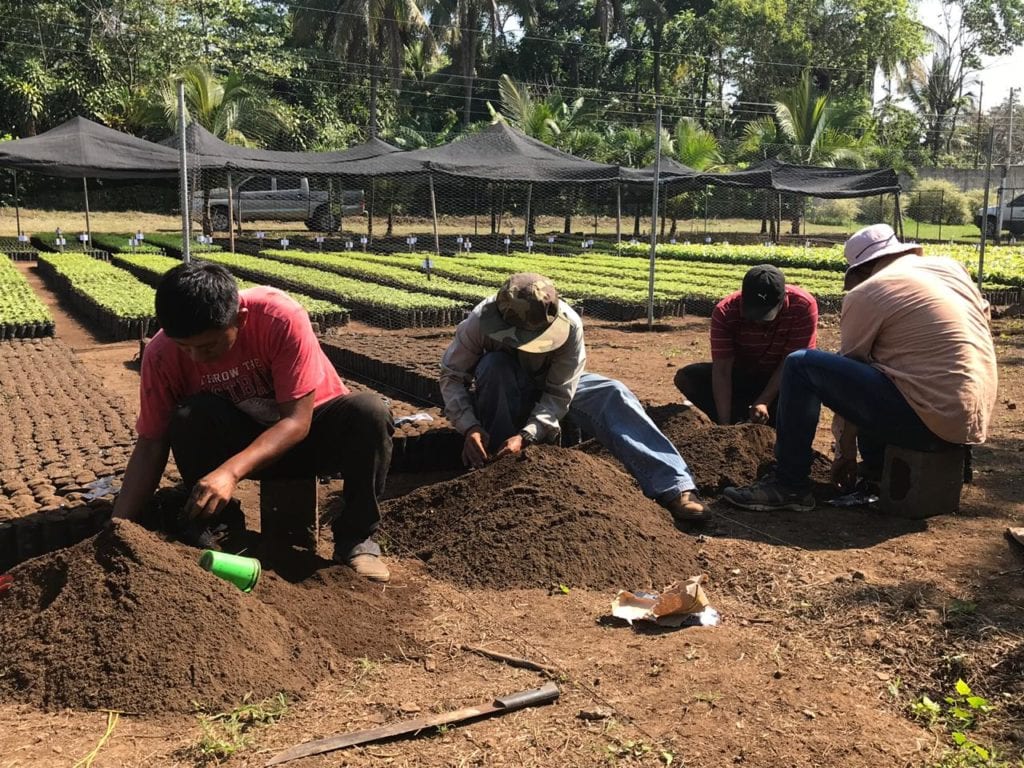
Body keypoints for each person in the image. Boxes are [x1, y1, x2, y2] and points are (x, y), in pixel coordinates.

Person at [112, 262, 393, 582]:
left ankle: (356, 539)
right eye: (184, 347)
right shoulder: (161, 354)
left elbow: (296, 422)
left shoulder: (279, 318)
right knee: (190, 415)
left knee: (370, 411)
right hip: (244, 442)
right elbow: (151, 445)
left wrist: (229, 472)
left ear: (240, 319)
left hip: (310, 438)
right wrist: (118, 526)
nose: (195, 358)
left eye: (207, 346)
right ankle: (223, 535)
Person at [723, 224, 998, 512]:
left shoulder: (870, 291)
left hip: (924, 420)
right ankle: (878, 471)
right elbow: (978, 322)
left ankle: (788, 484)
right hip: (971, 418)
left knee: (801, 364)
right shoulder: (950, 269)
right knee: (888, 368)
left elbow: (852, 368)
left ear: (860, 270)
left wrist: (845, 451)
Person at [439, 272, 708, 524]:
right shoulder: (480, 321)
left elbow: (559, 392)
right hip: (504, 380)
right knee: (493, 366)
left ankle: (674, 485)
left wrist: (528, 434)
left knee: (612, 393)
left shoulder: (569, 325)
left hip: (551, 382)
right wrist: (470, 426)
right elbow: (452, 375)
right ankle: (496, 470)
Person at [674, 265, 818, 426]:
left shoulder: (803, 306)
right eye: (754, 314)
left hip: (783, 380)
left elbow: (790, 363)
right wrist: (724, 425)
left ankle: (779, 426)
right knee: (688, 377)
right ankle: (736, 419)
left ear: (782, 300)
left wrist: (764, 401)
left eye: (765, 315)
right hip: (744, 375)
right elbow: (722, 370)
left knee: (809, 386)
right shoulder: (725, 312)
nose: (758, 321)